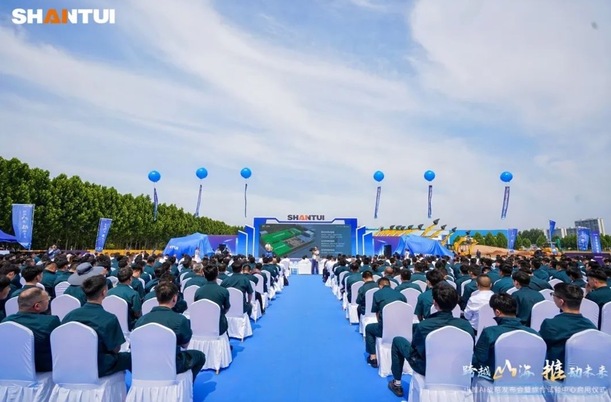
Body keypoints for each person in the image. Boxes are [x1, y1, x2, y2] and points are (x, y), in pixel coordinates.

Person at [388, 284, 474, 397]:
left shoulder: (424, 325)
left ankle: (397, 383)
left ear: (435, 302)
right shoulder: (466, 326)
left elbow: (416, 350)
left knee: (398, 341)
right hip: (458, 369)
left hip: (427, 368)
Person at [62, 275, 131, 377]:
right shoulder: (109, 319)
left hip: (72, 362)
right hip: (99, 365)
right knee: (129, 357)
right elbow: (116, 349)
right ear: (104, 292)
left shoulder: (69, 316)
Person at [134, 282, 205, 381]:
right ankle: (188, 384)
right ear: (174, 298)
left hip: (145, 364)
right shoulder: (180, 320)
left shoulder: (141, 320)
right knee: (200, 356)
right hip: (173, 364)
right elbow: (185, 345)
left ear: (157, 298)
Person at [472, 293, 541, 379]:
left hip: (496, 380)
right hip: (528, 380)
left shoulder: (489, 333)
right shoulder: (534, 334)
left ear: (497, 312)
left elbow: (477, 361)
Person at [539, 283, 597, 370]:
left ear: (561, 301)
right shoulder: (591, 327)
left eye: (553, 295)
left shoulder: (550, 324)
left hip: (555, 373)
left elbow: (539, 346)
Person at [1, 288, 60, 372]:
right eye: (47, 299)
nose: (48, 301)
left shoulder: (5, 322)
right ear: (37, 306)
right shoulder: (50, 321)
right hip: (43, 368)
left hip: (11, 367)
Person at [365, 277, 407, 368]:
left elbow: (376, 313)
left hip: (385, 329)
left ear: (380, 286)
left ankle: (373, 357)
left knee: (368, 328)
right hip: (402, 328)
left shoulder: (377, 294)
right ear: (389, 284)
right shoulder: (401, 295)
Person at [194, 265, 230, 335]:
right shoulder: (223, 291)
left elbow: (197, 307)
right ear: (217, 274)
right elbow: (227, 308)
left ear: (204, 275)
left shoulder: (198, 291)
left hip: (201, 324)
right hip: (219, 325)